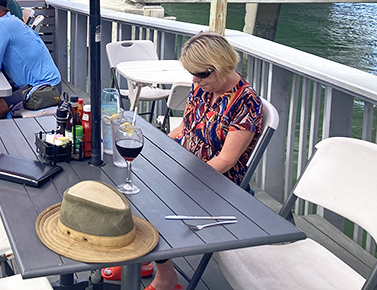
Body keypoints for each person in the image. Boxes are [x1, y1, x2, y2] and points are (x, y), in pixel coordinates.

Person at [105, 31, 263, 290]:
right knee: (124, 183)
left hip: (215, 184)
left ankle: (165, 276)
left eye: (201, 74)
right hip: (184, 167)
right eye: (192, 73)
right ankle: (143, 260)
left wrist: (178, 179)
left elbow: (226, 160)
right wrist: (159, 151)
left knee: (147, 201)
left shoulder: (245, 102)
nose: (195, 79)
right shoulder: (203, 87)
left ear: (222, 66)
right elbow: (185, 129)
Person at [0, 0, 61, 120]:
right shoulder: (7, 20)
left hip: (44, 88)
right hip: (32, 85)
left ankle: (2, 133)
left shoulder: (3, 24)